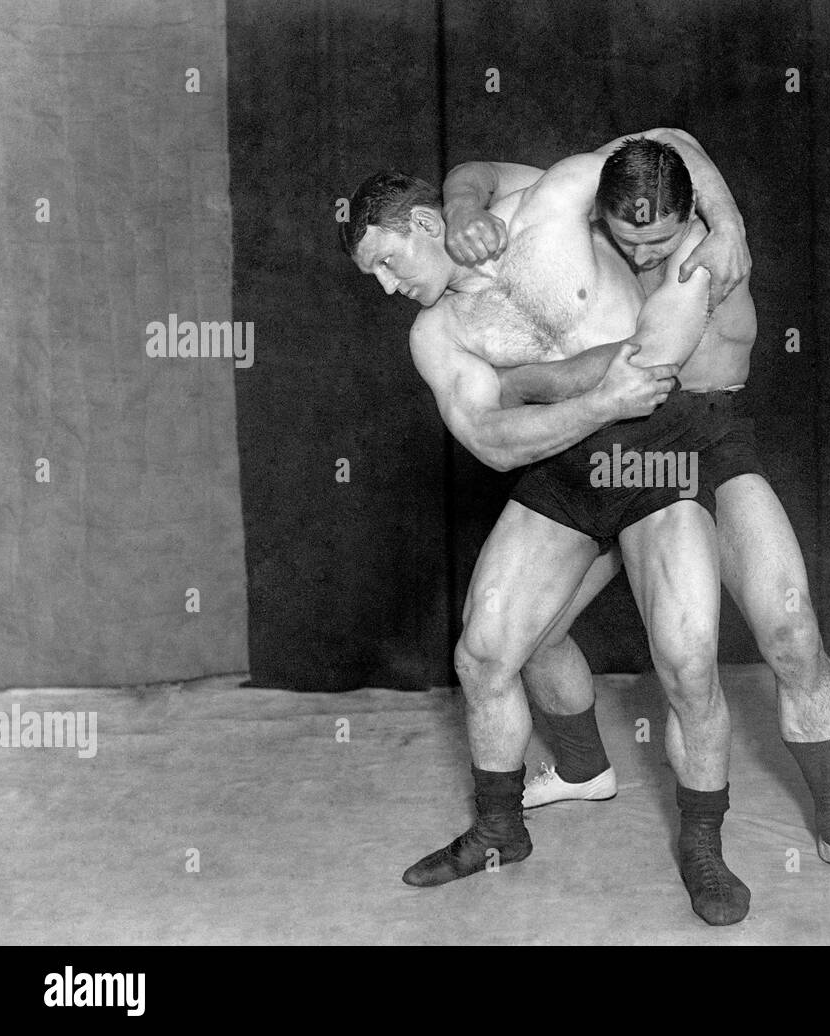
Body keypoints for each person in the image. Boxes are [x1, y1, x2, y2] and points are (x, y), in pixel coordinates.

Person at [442, 133, 830, 896]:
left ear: (690, 209)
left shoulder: (704, 258)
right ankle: (584, 770)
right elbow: (489, 176)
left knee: (788, 628)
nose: (644, 256)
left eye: (658, 239)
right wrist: (459, 208)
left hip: (700, 440)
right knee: (522, 636)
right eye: (627, 239)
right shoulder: (599, 199)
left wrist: (517, 381)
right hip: (600, 450)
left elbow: (633, 367)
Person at [341, 127, 757, 924]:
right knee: (485, 650)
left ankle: (703, 845)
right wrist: (596, 401)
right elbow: (492, 442)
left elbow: (660, 144)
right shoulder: (440, 334)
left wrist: (729, 222)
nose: (390, 287)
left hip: (657, 453)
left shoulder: (555, 200)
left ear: (427, 226)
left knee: (688, 662)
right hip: (566, 465)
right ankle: (500, 828)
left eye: (389, 263)